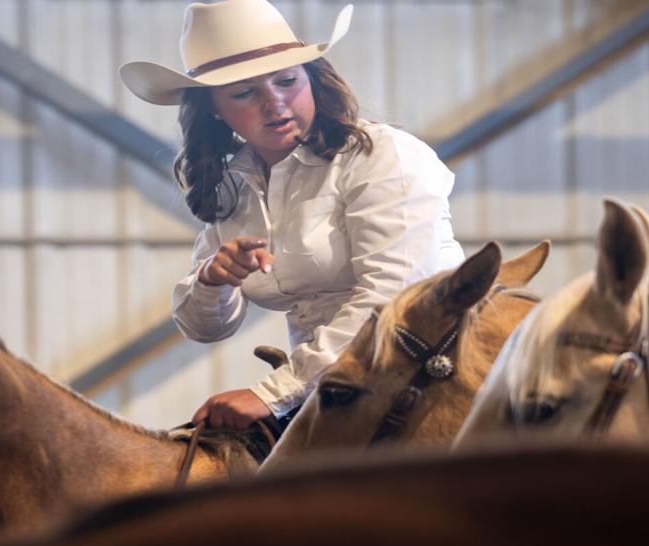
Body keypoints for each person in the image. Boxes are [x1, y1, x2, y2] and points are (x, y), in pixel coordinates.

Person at [120, 1, 464, 430]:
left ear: (312, 79)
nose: (274, 103)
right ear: (213, 108)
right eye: (244, 93)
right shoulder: (236, 185)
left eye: (286, 81)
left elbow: (393, 297)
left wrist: (273, 393)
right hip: (330, 390)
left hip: (435, 375)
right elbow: (203, 327)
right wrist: (215, 278)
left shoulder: (382, 156)